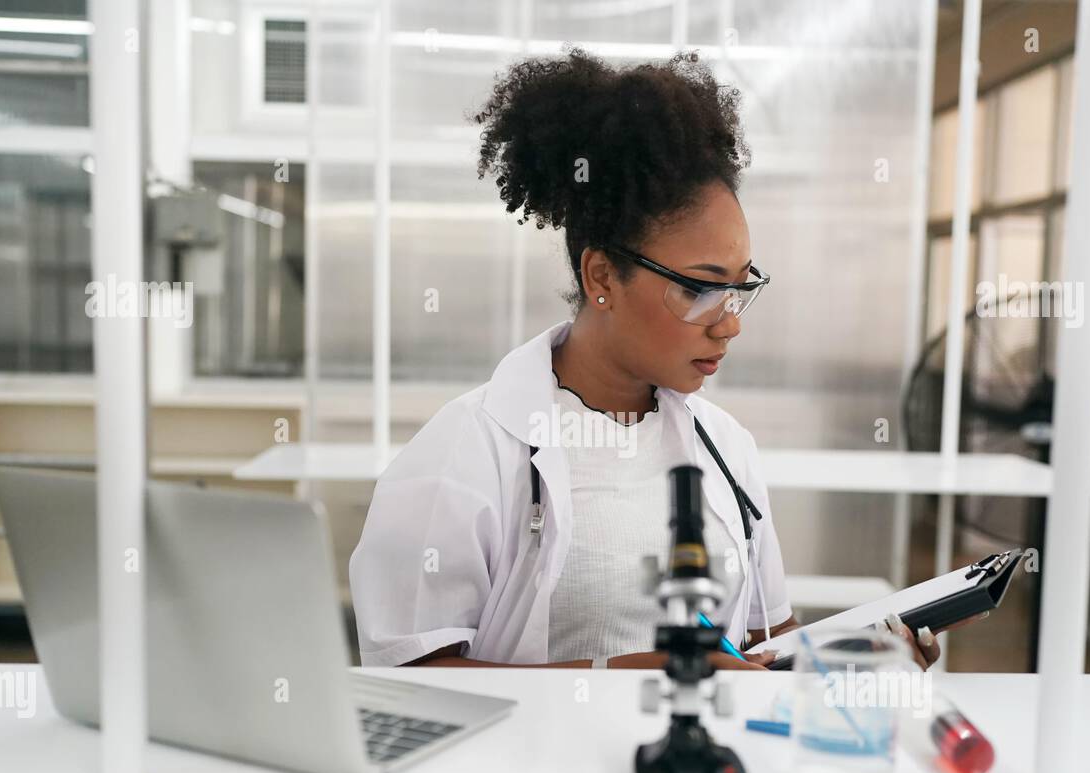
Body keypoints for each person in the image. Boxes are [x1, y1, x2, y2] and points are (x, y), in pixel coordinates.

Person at [349, 48, 941, 672]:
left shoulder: (726, 448)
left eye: (741, 286)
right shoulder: (464, 454)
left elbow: (766, 647)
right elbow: (406, 682)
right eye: (700, 288)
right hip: (538, 772)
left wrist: (857, 659)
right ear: (603, 275)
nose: (730, 322)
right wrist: (632, 674)